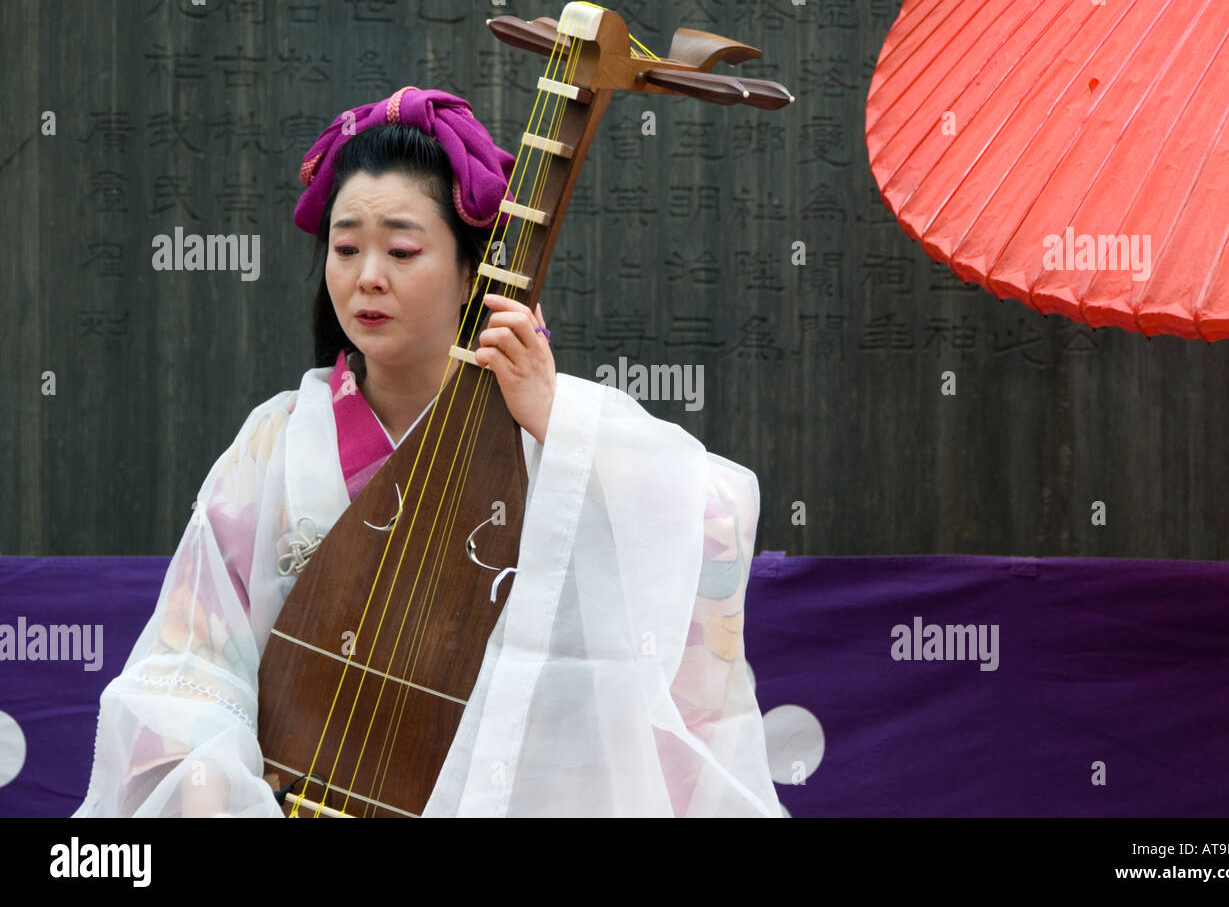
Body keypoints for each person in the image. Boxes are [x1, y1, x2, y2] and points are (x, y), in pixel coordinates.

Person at [73, 86, 779, 817]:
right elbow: (192, 666)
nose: (367, 275)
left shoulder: (544, 430)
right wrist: (225, 784)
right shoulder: (278, 442)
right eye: (346, 248)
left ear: (473, 272)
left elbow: (708, 525)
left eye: (402, 249)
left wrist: (559, 424)